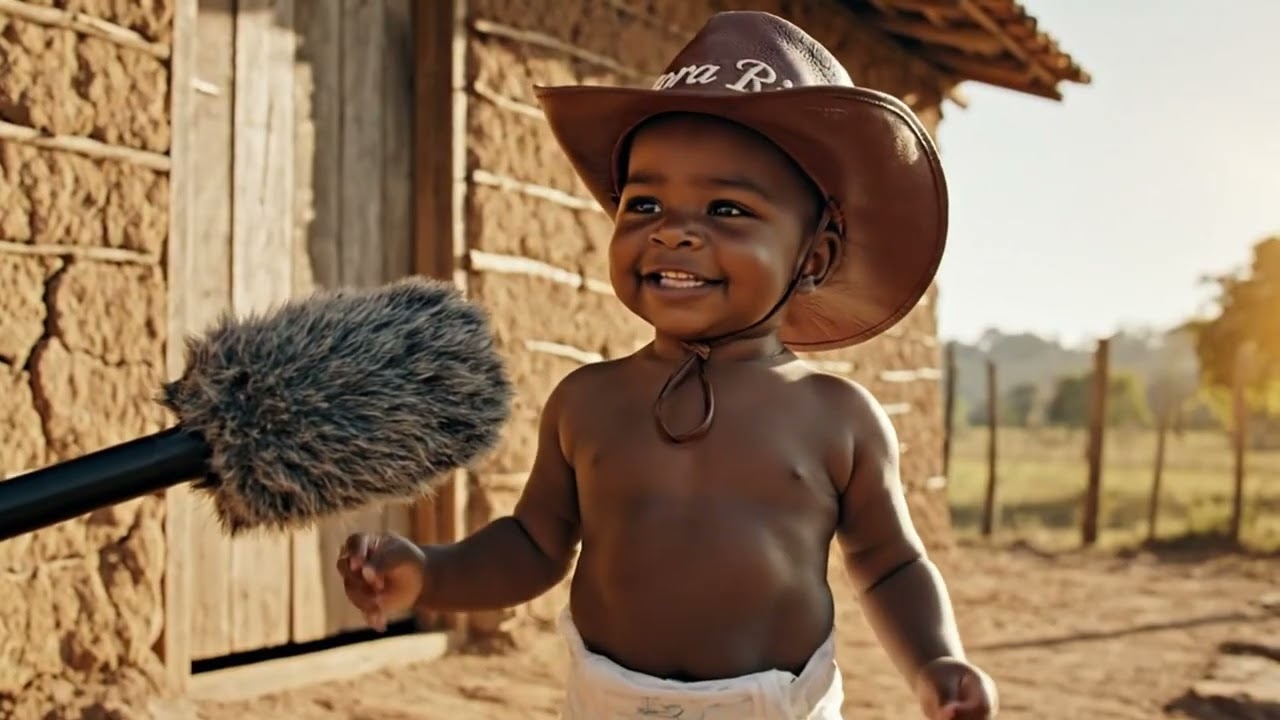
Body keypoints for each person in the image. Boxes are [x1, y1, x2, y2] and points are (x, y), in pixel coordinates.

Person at [337, 10, 996, 719]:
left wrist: (937, 660)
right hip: (608, 702)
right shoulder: (586, 402)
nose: (676, 231)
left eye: (727, 208)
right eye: (644, 202)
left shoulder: (836, 417)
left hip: (774, 707)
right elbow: (533, 544)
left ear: (815, 257)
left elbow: (891, 564)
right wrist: (430, 574)